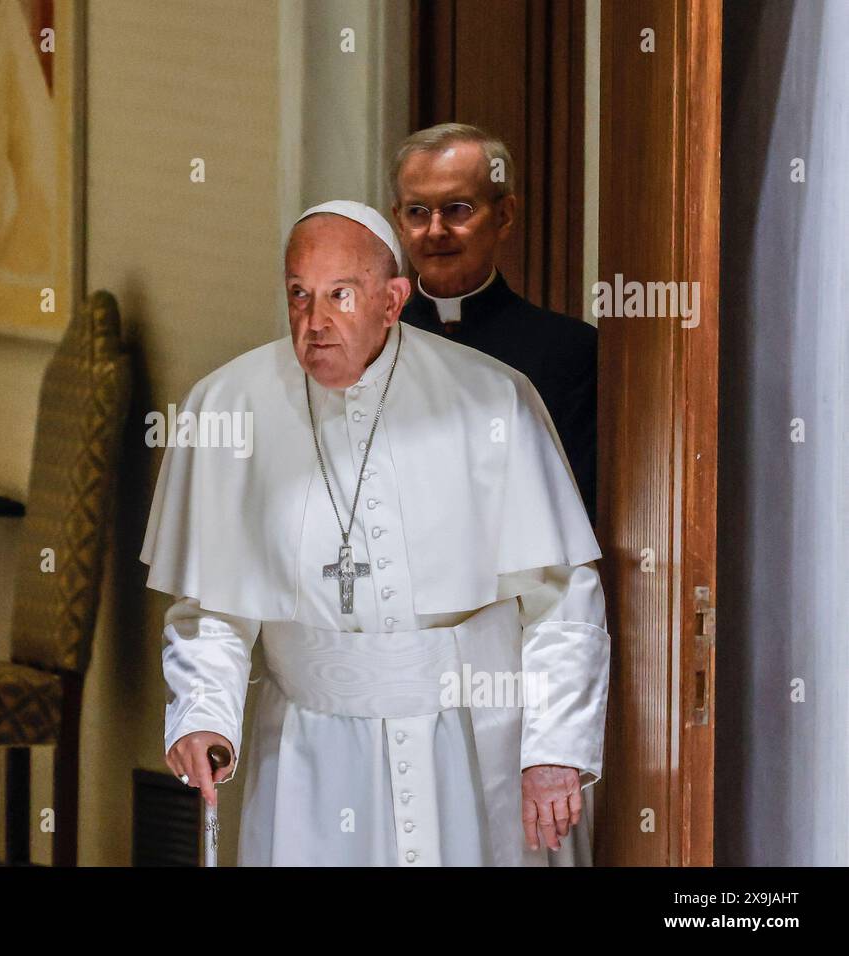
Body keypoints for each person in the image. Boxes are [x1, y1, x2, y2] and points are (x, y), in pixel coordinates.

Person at [142, 200, 610, 866]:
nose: (314, 322)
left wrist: (555, 753)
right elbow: (211, 607)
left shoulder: (490, 400)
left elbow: (562, 597)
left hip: (474, 748)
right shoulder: (228, 407)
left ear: (392, 301)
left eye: (340, 295)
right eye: (299, 296)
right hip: (306, 753)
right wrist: (205, 717)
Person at [392, 123, 597, 525]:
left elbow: (577, 515)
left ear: (504, 216)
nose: (435, 231)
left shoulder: (569, 352)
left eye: (457, 209)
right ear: (399, 221)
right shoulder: (371, 347)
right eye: (418, 212)